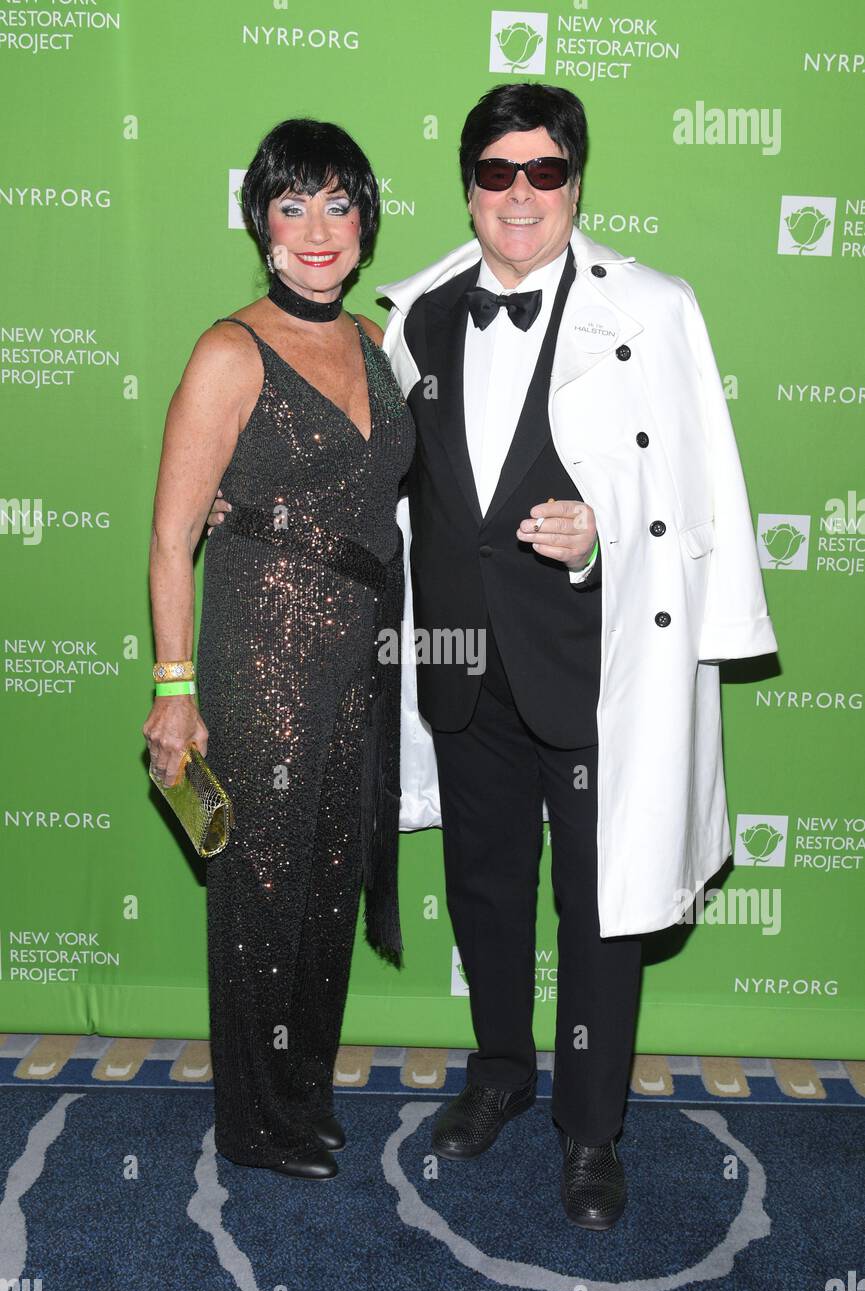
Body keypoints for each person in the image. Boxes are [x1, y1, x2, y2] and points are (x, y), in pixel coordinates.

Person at [208, 83, 778, 1229]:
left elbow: (700, 490)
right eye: (496, 172)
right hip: (460, 660)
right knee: (482, 888)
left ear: (575, 179)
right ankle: (499, 1075)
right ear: (468, 185)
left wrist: (602, 537)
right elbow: (371, 481)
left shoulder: (655, 308)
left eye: (544, 172)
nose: (519, 193)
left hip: (591, 662)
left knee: (598, 903)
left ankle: (588, 1129)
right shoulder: (410, 311)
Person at [144, 118, 414, 1181]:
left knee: (329, 881)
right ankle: (252, 1122)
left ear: (364, 225)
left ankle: (302, 1090)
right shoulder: (228, 348)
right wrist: (176, 689)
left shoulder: (375, 345)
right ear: (260, 223)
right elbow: (171, 535)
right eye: (291, 204)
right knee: (259, 887)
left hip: (359, 660)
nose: (315, 228)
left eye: (337, 204)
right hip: (263, 656)